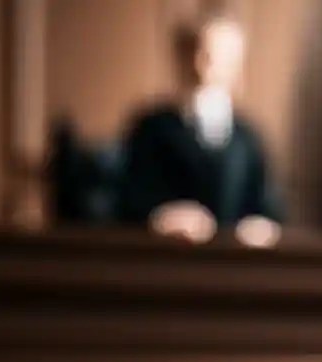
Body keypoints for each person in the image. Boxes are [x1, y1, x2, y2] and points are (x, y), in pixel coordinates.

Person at [119, 11, 284, 247]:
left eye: (215, 57)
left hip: (233, 265)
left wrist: (260, 226)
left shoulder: (248, 138)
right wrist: (161, 217)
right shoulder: (152, 128)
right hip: (166, 258)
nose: (202, 65)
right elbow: (130, 198)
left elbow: (269, 207)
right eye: (197, 53)